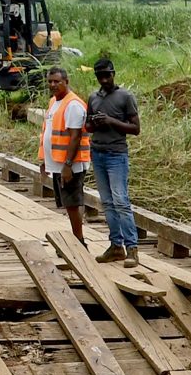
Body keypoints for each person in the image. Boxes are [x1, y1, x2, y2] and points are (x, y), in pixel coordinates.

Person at [86, 56, 141, 264]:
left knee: (121, 201)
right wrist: (94, 123)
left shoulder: (125, 97)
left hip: (116, 155)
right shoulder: (93, 98)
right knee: (107, 203)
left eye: (107, 76)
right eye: (100, 76)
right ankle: (116, 246)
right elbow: (88, 127)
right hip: (98, 153)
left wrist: (110, 121)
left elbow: (135, 129)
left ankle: (132, 248)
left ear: (113, 74)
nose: (104, 80)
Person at [39, 66, 90, 243]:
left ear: (66, 82)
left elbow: (75, 137)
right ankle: (77, 240)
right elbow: (50, 132)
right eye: (50, 81)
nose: (53, 85)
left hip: (70, 165)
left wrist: (68, 165)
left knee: (73, 203)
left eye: (57, 81)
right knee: (68, 203)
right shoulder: (54, 102)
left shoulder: (73, 105)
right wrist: (45, 160)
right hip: (58, 162)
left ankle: (79, 241)